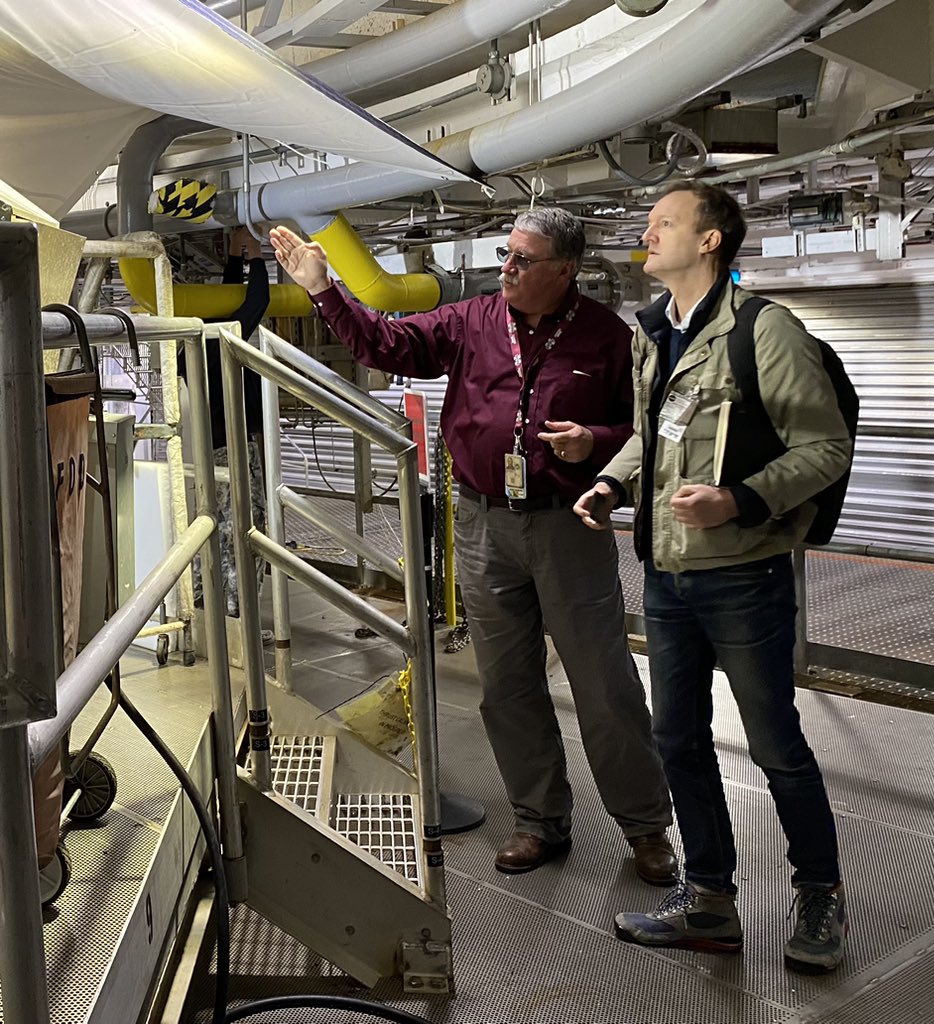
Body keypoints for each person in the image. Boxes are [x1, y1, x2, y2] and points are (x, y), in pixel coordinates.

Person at [270, 209, 676, 883]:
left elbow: (644, 431)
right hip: (483, 523)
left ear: (565, 270)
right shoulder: (472, 321)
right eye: (505, 255)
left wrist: (595, 445)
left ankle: (646, 827)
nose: (506, 269)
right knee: (507, 685)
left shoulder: (609, 339)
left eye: (524, 260)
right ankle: (539, 820)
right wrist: (323, 287)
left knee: (604, 684)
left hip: (566, 524)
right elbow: (385, 347)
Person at [574, 180, 851, 972]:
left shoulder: (765, 331)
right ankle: (710, 903)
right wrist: (612, 482)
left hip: (742, 576)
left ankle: (822, 897)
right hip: (666, 574)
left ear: (710, 241)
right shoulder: (653, 331)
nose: (646, 231)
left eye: (664, 222)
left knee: (774, 745)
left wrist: (739, 500)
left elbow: (823, 447)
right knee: (679, 741)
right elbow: (651, 434)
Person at [183, 226, 270, 623]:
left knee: (213, 528)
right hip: (233, 447)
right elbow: (257, 300)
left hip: (207, 447)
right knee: (246, 526)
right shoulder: (222, 341)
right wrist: (256, 252)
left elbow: (233, 301)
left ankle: (207, 610)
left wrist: (236, 254)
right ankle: (238, 619)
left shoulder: (194, 347)